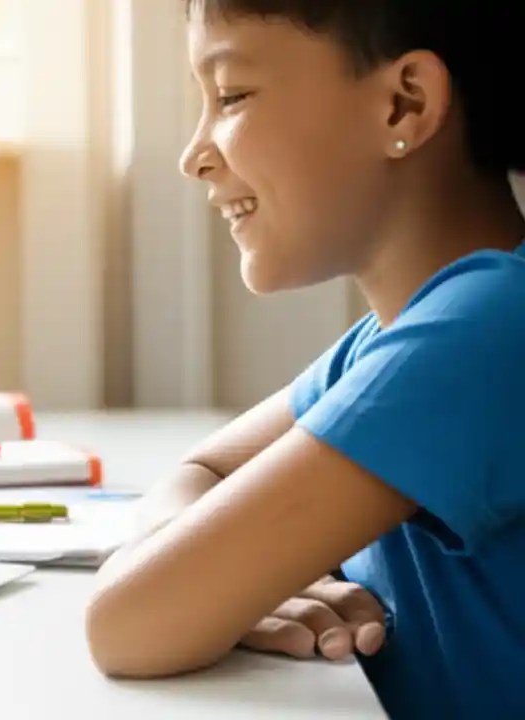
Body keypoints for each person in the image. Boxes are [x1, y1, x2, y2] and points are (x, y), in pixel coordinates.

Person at [84, 2, 525, 717]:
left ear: (403, 105)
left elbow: (126, 623)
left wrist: (215, 581)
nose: (194, 153)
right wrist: (239, 581)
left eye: (230, 96)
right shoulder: (394, 342)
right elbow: (200, 472)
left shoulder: (487, 331)